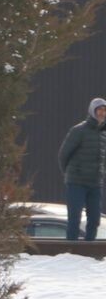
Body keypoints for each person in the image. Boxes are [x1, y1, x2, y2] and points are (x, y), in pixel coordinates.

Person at [59, 97, 106, 241]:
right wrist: (70, 175)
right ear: (92, 111)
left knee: (95, 219)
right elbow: (63, 154)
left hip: (95, 183)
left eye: (104, 110)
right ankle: (71, 249)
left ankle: (89, 249)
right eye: (99, 110)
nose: (102, 113)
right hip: (76, 182)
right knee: (74, 218)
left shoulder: (103, 133)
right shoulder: (79, 130)